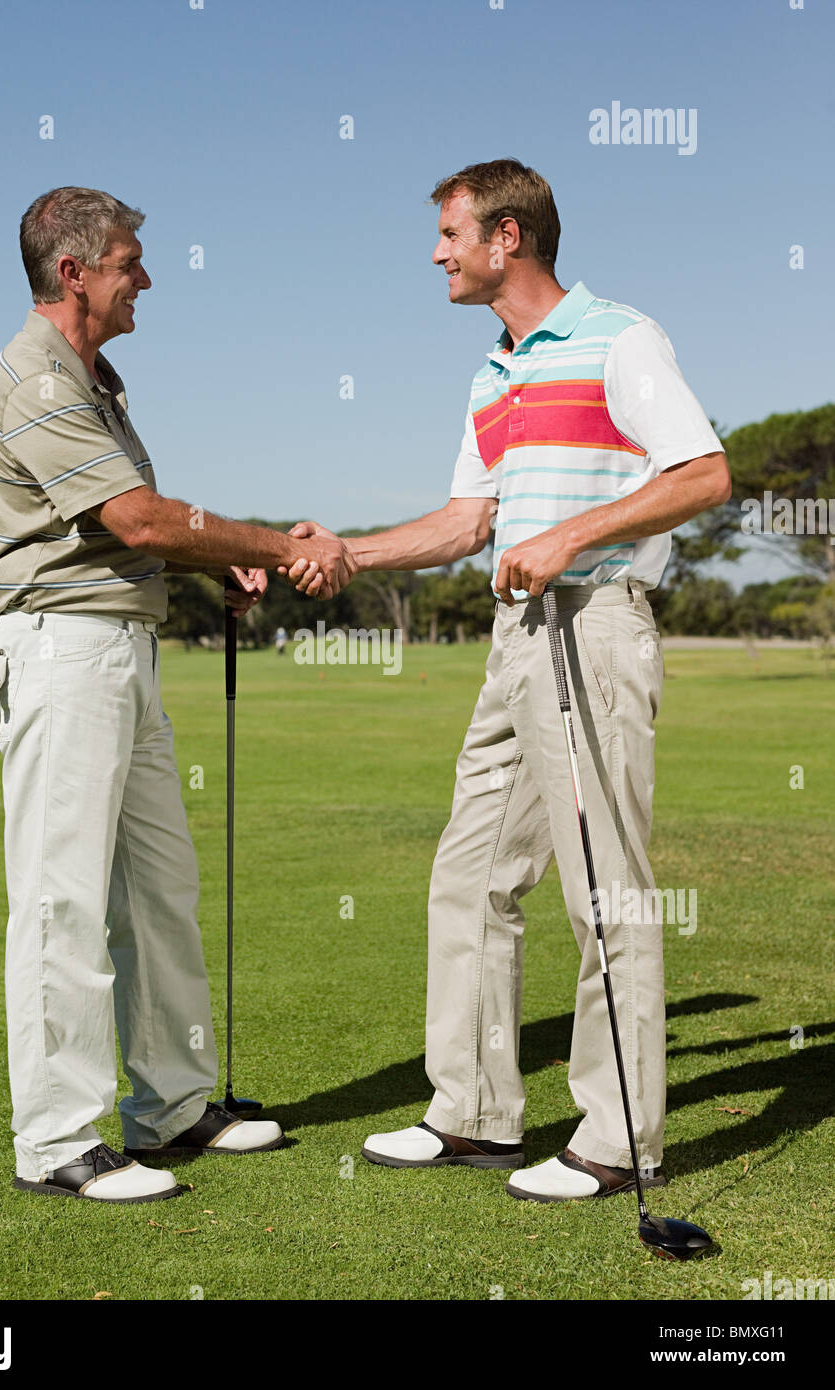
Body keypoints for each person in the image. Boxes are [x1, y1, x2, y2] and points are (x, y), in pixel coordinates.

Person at [285, 159, 730, 1201]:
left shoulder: (621, 337)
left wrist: (571, 535)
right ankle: (476, 1115)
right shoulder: (495, 373)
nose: (437, 253)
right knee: (469, 873)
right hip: (517, 644)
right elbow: (464, 522)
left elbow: (703, 470)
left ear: (508, 238)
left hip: (592, 628)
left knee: (604, 887)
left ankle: (620, 1141)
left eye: (450, 234)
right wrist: (345, 552)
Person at [0, 186, 353, 1204]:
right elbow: (140, 520)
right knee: (63, 900)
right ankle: (54, 1139)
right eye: (131, 261)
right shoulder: (39, 378)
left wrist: (212, 564)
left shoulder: (99, 380)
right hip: (60, 652)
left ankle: (173, 1103)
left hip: (118, 650)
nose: (146, 278)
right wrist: (275, 543)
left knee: (157, 888)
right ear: (74, 272)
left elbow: (127, 532)